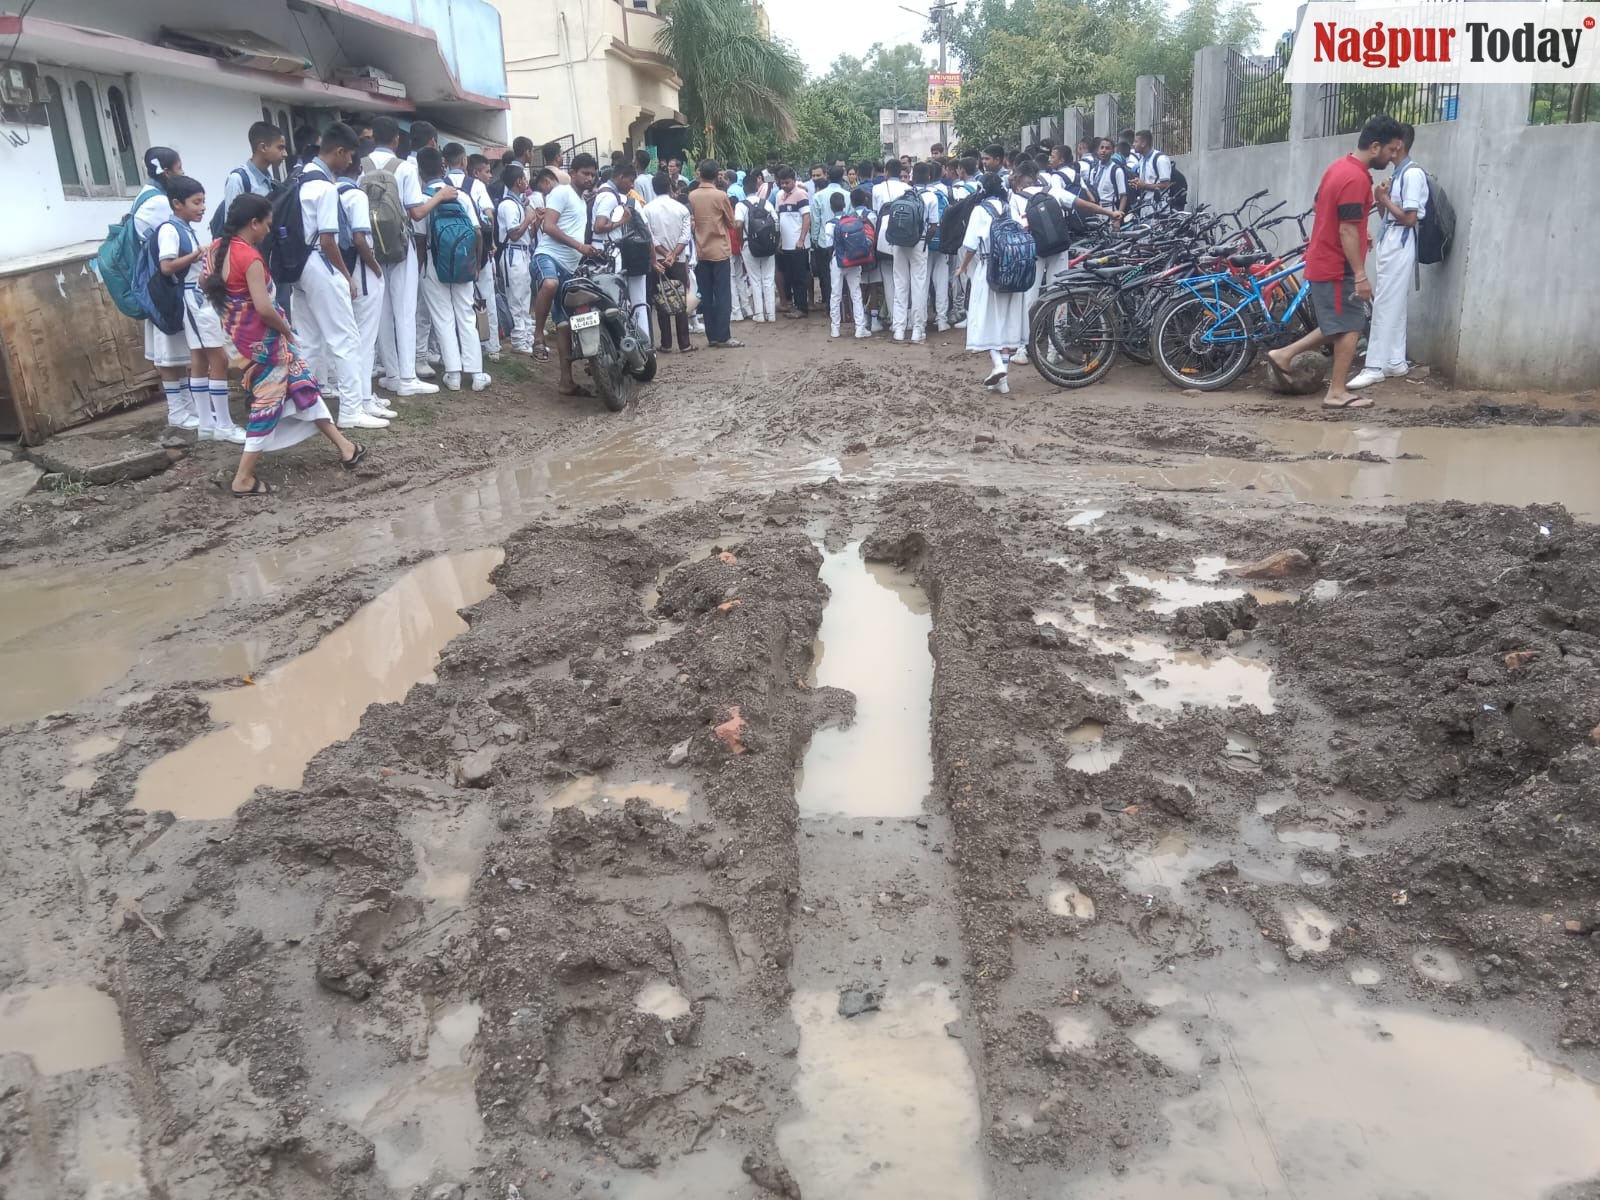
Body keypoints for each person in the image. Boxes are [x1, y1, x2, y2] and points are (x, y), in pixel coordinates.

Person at [199, 193, 365, 495]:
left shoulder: (214, 251)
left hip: (239, 340)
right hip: (266, 343)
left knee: (304, 386)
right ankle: (243, 478)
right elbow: (263, 308)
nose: (269, 230)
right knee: (267, 406)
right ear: (254, 223)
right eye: (267, 224)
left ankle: (347, 448)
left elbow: (205, 285)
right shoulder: (250, 258)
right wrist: (286, 331)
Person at [1266, 115, 1404, 409]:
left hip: (1325, 260)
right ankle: (1336, 392)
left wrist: (1360, 225)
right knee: (1350, 325)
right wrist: (1360, 275)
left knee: (1340, 325)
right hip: (1336, 266)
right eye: (1392, 150)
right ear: (1376, 147)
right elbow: (1345, 229)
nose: (1393, 158)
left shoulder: (1339, 168)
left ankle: (1285, 355)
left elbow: (1322, 206)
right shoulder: (1355, 178)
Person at [288, 123, 387, 430]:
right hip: (320, 261)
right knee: (345, 338)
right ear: (340, 152)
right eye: (350, 156)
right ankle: (351, 409)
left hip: (298, 266)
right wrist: (346, 276)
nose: (349, 164)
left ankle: (307, 406)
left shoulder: (299, 180)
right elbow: (329, 240)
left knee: (308, 340)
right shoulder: (326, 188)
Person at [157, 176, 246, 443]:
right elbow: (167, 266)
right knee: (217, 359)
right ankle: (224, 425)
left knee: (200, 359)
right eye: (196, 202)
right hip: (194, 299)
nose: (202, 207)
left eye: (203, 201)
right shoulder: (170, 230)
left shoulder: (185, 227)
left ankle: (207, 424)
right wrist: (197, 255)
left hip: (197, 297)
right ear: (176, 203)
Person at [364, 116, 446, 397]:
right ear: (396, 140)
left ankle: (392, 373)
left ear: (372, 136)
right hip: (400, 245)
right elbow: (417, 212)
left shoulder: (360, 166)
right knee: (405, 309)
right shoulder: (405, 168)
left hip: (370, 246)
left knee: (382, 311)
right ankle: (408, 377)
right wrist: (440, 196)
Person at [1351, 121, 1429, 390]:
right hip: (1391, 240)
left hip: (1401, 241)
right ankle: (1395, 361)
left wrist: (1383, 200)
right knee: (1393, 301)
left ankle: (1374, 366)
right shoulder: (1398, 174)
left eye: (1391, 144)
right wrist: (1381, 198)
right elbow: (1388, 216)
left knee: (1384, 302)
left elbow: (1409, 219)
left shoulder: (1413, 175)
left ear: (1398, 145)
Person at [132, 147, 198, 429]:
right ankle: (178, 411)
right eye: (180, 167)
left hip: (160, 288)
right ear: (169, 171)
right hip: (164, 290)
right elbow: (167, 260)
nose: (182, 171)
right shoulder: (161, 205)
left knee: (175, 354)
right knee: (169, 355)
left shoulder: (143, 196)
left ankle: (185, 407)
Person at [415, 145, 489, 393]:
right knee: (466, 316)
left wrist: (421, 269)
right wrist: (476, 264)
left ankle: (453, 374)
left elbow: (420, 239)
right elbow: (477, 232)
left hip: (432, 263)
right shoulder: (461, 195)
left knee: (443, 318)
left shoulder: (423, 198)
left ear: (420, 171)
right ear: (443, 167)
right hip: (463, 261)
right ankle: (477, 374)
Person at [536, 152, 603, 395]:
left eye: (593, 174)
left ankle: (566, 382)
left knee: (565, 325)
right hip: (547, 257)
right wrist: (580, 247)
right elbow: (549, 226)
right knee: (550, 283)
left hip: (570, 267)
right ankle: (538, 337)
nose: (590, 178)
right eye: (585, 173)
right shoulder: (562, 192)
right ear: (572, 173)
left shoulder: (581, 200)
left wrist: (587, 252)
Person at [956, 172, 1028, 393]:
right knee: (1006, 323)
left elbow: (970, 245)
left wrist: (963, 267)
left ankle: (998, 365)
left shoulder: (979, 210)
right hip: (1014, 270)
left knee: (985, 320)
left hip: (989, 270)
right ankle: (1003, 382)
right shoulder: (1010, 207)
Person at [337, 157, 395, 424]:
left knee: (355, 338)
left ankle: (363, 395)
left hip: (344, 271)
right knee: (364, 340)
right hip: (363, 271)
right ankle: (362, 399)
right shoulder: (356, 196)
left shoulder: (334, 191)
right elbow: (360, 238)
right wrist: (376, 267)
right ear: (359, 170)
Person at [591, 162, 651, 339]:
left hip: (603, 252)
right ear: (620, 177)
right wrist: (623, 221)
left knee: (615, 299)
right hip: (614, 253)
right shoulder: (613, 198)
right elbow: (599, 226)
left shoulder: (600, 195)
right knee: (627, 299)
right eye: (630, 181)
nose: (631, 185)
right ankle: (639, 339)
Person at [687, 159, 743, 348]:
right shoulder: (721, 196)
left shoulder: (692, 195)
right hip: (720, 250)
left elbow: (692, 221)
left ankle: (712, 336)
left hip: (702, 250)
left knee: (707, 294)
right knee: (723, 294)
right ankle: (724, 336)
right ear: (716, 175)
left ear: (700, 174)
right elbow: (731, 222)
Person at [643, 171, 695, 353]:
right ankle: (684, 343)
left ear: (653, 188)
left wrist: (664, 254)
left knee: (661, 299)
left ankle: (666, 343)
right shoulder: (681, 209)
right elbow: (685, 236)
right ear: (670, 187)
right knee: (681, 299)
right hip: (678, 260)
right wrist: (673, 254)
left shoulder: (647, 209)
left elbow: (650, 237)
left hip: (657, 260)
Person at [496, 164, 539, 355]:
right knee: (516, 297)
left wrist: (534, 221)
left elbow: (527, 234)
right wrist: (528, 219)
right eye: (524, 178)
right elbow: (514, 234)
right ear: (518, 182)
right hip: (512, 253)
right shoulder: (508, 205)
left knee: (525, 296)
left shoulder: (520, 204)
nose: (526, 181)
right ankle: (519, 340)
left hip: (523, 252)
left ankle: (528, 335)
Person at [218, 122, 287, 231]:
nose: (285, 154)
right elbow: (231, 226)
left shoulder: (273, 184)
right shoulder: (238, 179)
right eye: (280, 148)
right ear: (263, 147)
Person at [826, 190, 871, 340]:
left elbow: (828, 246)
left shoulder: (830, 225)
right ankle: (860, 328)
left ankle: (835, 329)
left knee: (835, 294)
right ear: (845, 205)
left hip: (838, 262)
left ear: (831, 207)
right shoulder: (854, 220)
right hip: (854, 261)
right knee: (856, 293)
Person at [809, 164, 849, 318]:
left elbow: (816, 220)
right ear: (842, 177)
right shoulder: (847, 194)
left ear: (827, 176)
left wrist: (814, 238)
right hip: (844, 240)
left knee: (825, 275)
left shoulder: (818, 196)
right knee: (844, 273)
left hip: (823, 241)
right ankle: (843, 306)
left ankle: (829, 305)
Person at [773, 167, 812, 319]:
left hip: (798, 244)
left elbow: (806, 218)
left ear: (794, 181)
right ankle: (796, 305)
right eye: (782, 183)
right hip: (786, 245)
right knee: (790, 276)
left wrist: (801, 239)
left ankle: (802, 308)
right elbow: (780, 220)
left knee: (799, 277)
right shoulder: (780, 196)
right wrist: (780, 241)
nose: (784, 185)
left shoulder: (800, 194)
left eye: (787, 182)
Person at [736, 183, 777, 323]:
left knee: (754, 279)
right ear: (756, 189)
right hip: (768, 245)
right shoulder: (767, 203)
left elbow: (738, 225)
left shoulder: (741, 206)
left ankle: (759, 313)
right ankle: (771, 314)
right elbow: (776, 223)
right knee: (768, 278)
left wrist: (740, 241)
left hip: (749, 244)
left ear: (744, 190)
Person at [1128, 130, 1172, 218]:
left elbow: (1166, 185)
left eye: (1136, 141)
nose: (1133, 144)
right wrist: (1137, 183)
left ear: (1143, 143)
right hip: (1145, 205)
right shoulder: (1142, 160)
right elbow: (1146, 182)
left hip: (1159, 206)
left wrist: (1144, 186)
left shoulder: (1160, 159)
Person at [1089, 138, 1129, 216]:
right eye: (1102, 147)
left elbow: (1123, 196)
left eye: (1107, 148)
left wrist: (1118, 217)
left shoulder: (1116, 171)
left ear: (1112, 151)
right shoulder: (1094, 170)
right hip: (1095, 210)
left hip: (1110, 210)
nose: (1103, 150)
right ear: (1098, 150)